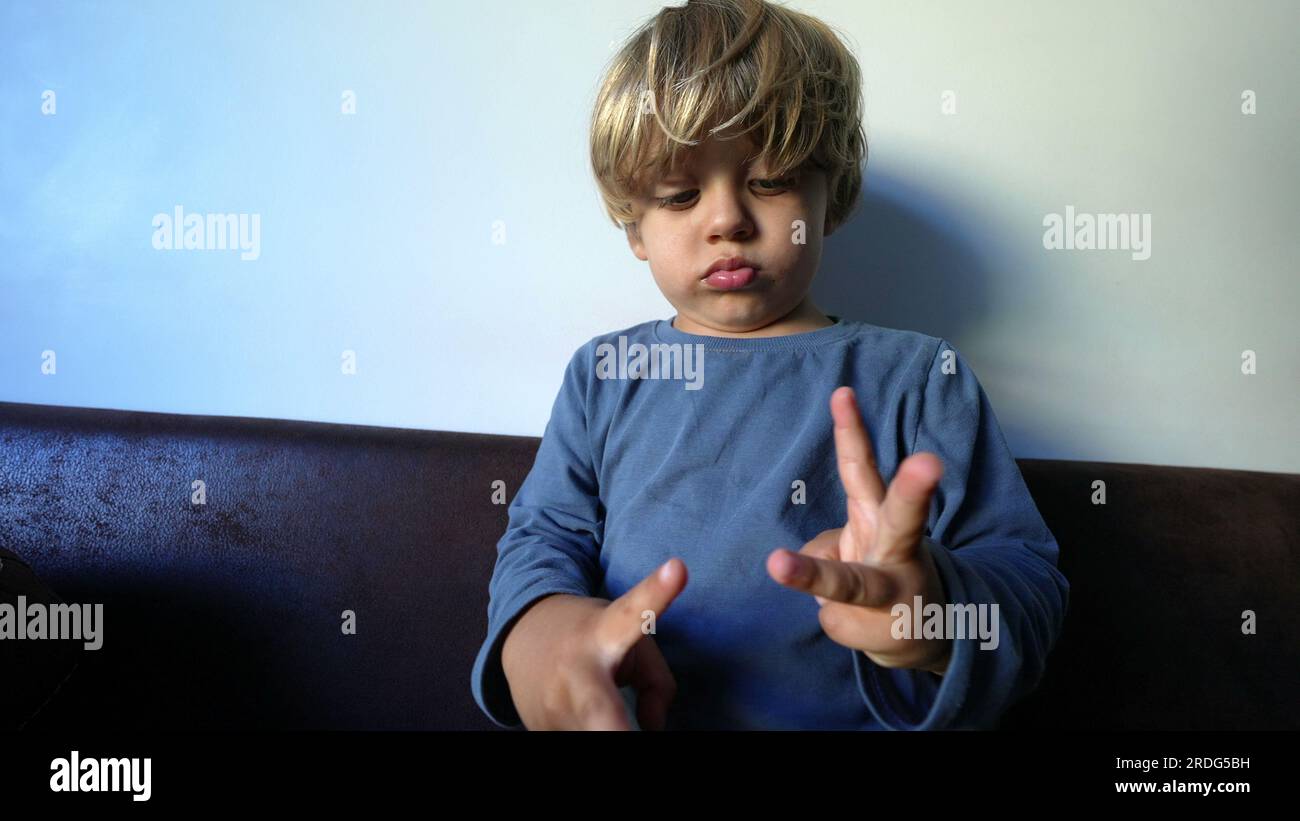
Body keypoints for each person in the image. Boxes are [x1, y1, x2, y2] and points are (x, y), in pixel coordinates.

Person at [470, 0, 1069, 730]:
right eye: (680, 194)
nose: (726, 219)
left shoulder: (919, 378)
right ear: (635, 226)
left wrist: (932, 612)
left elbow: (1030, 584)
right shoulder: (603, 375)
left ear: (832, 195)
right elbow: (543, 541)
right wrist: (546, 641)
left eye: (771, 179)